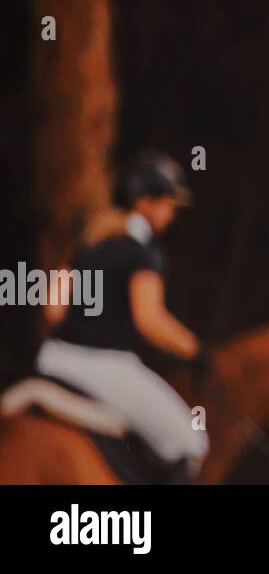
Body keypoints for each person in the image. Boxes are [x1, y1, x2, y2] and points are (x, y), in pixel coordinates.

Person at [39, 150, 209, 476]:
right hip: (107, 366)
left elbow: (52, 310)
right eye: (167, 203)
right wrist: (195, 350)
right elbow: (149, 319)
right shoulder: (145, 254)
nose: (170, 214)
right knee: (191, 443)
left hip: (54, 360)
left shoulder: (86, 245)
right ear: (143, 200)